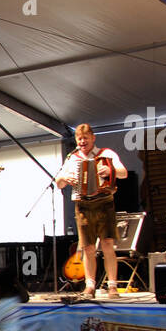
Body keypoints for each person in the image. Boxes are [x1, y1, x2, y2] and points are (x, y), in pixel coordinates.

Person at [56, 124, 128, 299]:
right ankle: (90, 286)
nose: (82, 141)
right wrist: (65, 177)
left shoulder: (106, 154)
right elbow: (59, 183)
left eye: (85, 138)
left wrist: (110, 169)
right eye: (79, 138)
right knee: (87, 247)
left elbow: (123, 173)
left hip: (104, 203)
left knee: (107, 244)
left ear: (93, 138)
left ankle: (112, 286)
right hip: (83, 205)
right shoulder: (72, 158)